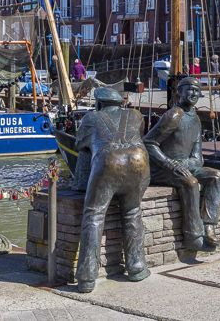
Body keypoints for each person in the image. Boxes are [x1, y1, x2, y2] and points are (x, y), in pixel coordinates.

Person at [74, 87, 150, 293]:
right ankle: (137, 267)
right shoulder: (135, 114)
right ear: (120, 103)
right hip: (139, 160)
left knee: (94, 215)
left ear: (99, 104)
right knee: (133, 211)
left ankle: (87, 277)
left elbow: (79, 143)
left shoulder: (91, 118)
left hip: (109, 162)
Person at [148, 78, 220, 252]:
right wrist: (169, 163)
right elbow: (149, 143)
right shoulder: (174, 115)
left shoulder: (195, 119)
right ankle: (193, 237)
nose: (194, 94)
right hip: (163, 169)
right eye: (189, 90)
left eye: (197, 91)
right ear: (179, 93)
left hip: (185, 165)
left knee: (216, 177)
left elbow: (197, 156)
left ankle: (208, 226)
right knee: (191, 183)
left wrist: (190, 163)